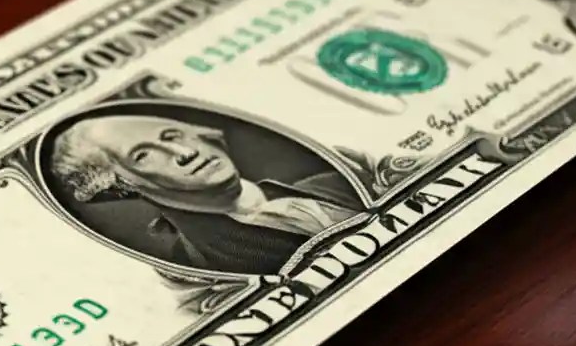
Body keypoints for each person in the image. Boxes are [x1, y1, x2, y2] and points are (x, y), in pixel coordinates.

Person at [50, 112, 360, 274]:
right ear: (120, 184)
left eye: (173, 135)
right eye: (142, 155)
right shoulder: (200, 268)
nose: (184, 151)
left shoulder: (337, 181)